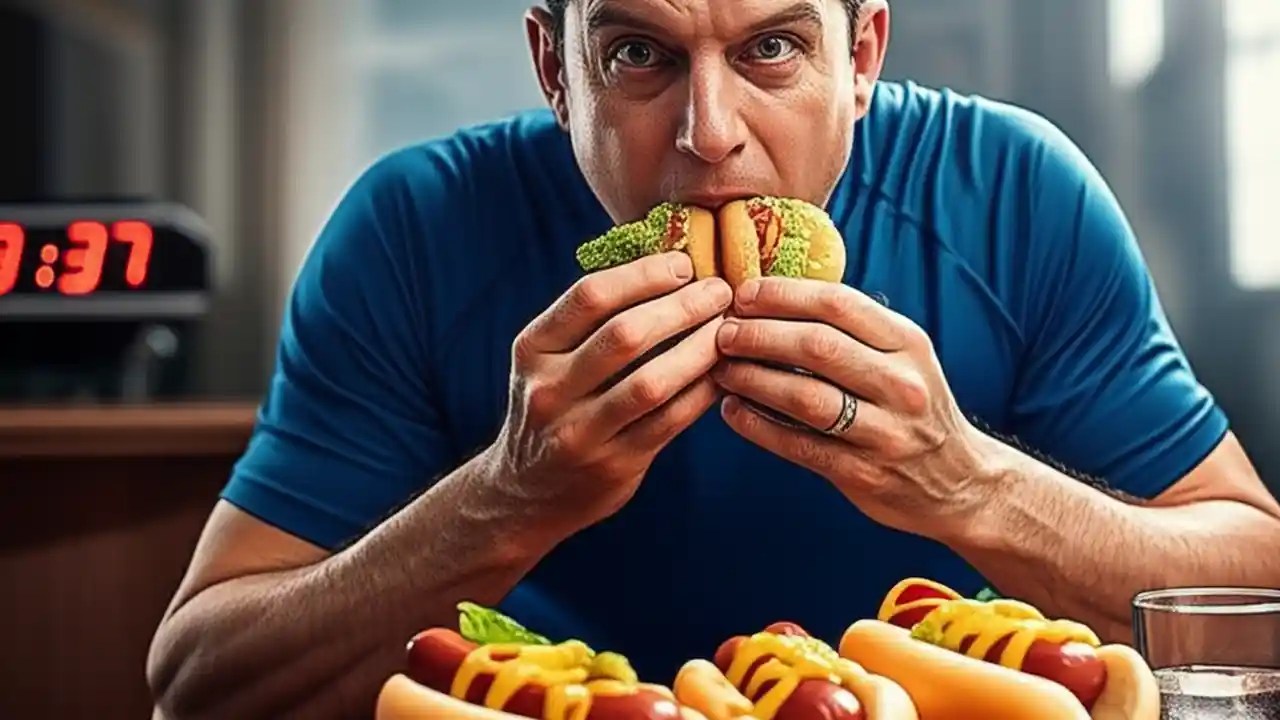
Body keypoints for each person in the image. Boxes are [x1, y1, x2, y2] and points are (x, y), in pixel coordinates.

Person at [147, 1, 1280, 718]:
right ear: (553, 68)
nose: (708, 134)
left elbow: (1259, 595)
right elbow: (198, 682)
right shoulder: (414, 228)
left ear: (863, 55)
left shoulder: (1010, 192)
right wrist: (504, 498)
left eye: (772, 49)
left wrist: (966, 484)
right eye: (636, 53)